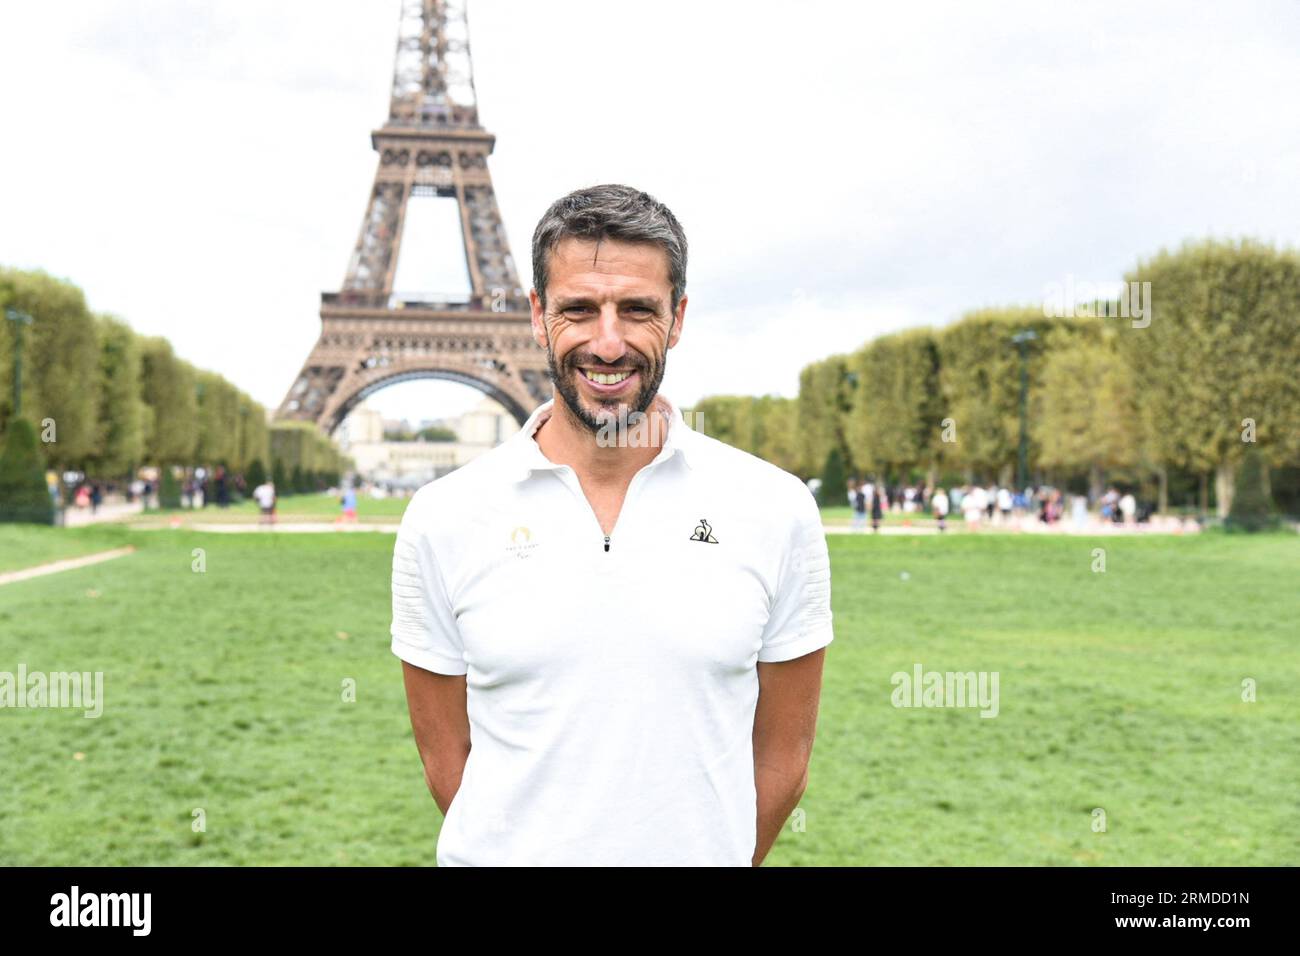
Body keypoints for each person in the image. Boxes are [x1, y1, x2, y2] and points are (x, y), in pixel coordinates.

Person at [391, 184, 833, 867]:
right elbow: (445, 759)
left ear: (677, 318)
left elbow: (785, 759)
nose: (607, 341)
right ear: (537, 316)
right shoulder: (444, 518)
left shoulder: (775, 510)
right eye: (578, 309)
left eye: (636, 310)